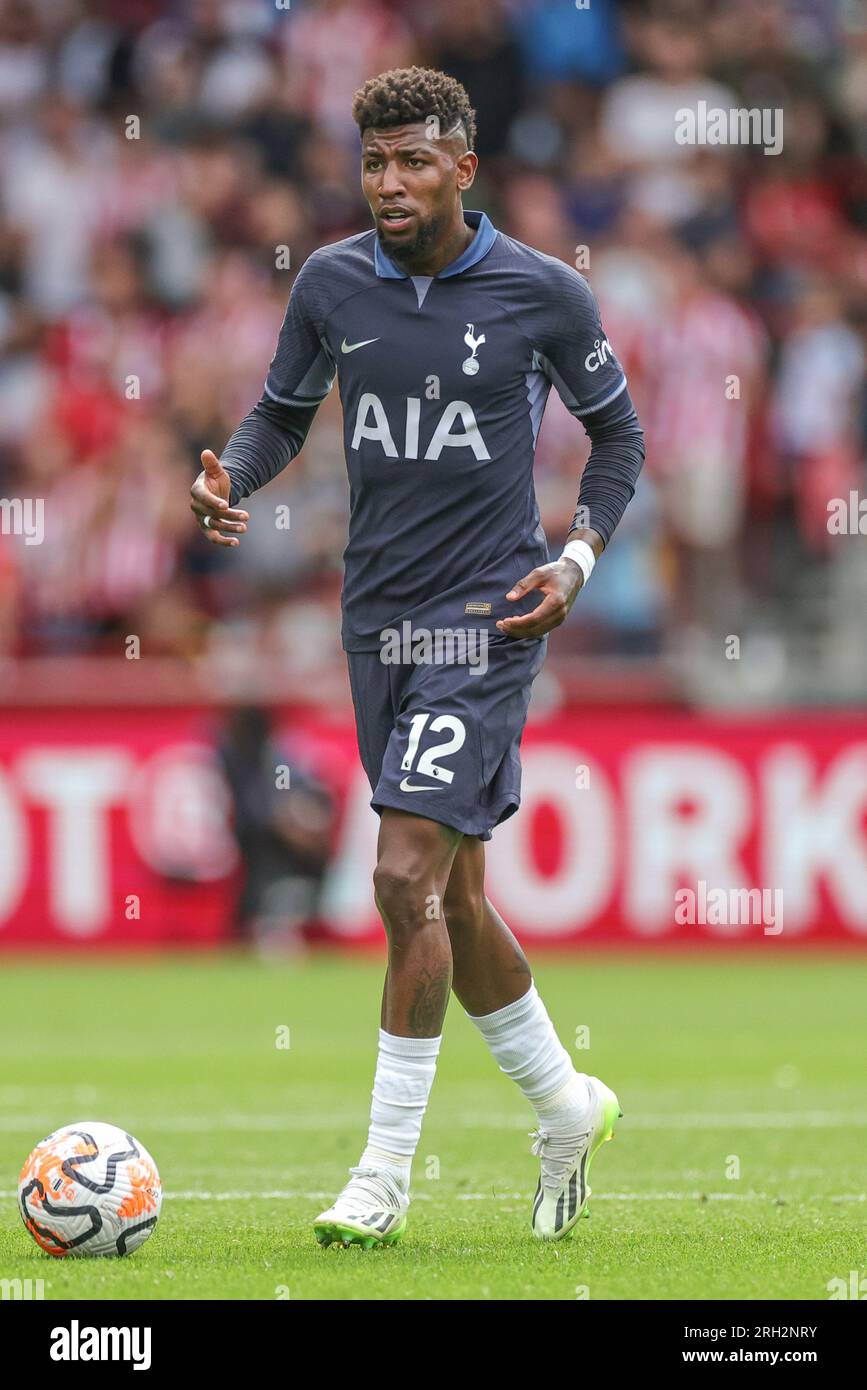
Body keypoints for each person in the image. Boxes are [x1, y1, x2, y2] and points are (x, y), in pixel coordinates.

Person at [190, 67, 644, 1246]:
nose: (390, 183)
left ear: (463, 167)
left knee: (400, 877)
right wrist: (233, 477)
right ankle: (563, 1106)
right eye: (375, 164)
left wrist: (579, 561)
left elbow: (618, 435)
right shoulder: (334, 282)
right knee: (456, 893)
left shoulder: (543, 293)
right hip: (376, 616)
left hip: (487, 618)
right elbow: (284, 410)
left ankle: (382, 1178)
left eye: (414, 162)